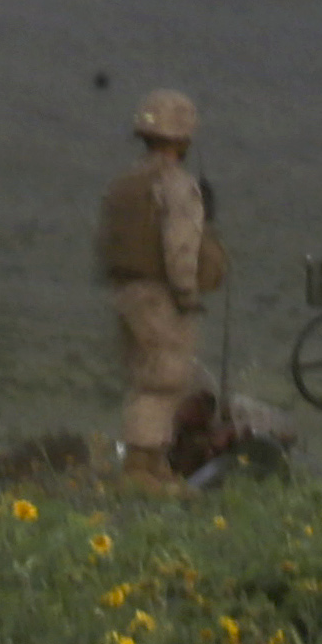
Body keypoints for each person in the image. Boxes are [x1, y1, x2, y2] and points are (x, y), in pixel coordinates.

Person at [96, 89, 225, 484]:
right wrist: (187, 293)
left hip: (127, 293)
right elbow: (180, 247)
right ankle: (142, 467)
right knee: (164, 379)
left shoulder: (125, 184)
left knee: (145, 377)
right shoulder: (175, 185)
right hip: (160, 296)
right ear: (183, 138)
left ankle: (150, 465)